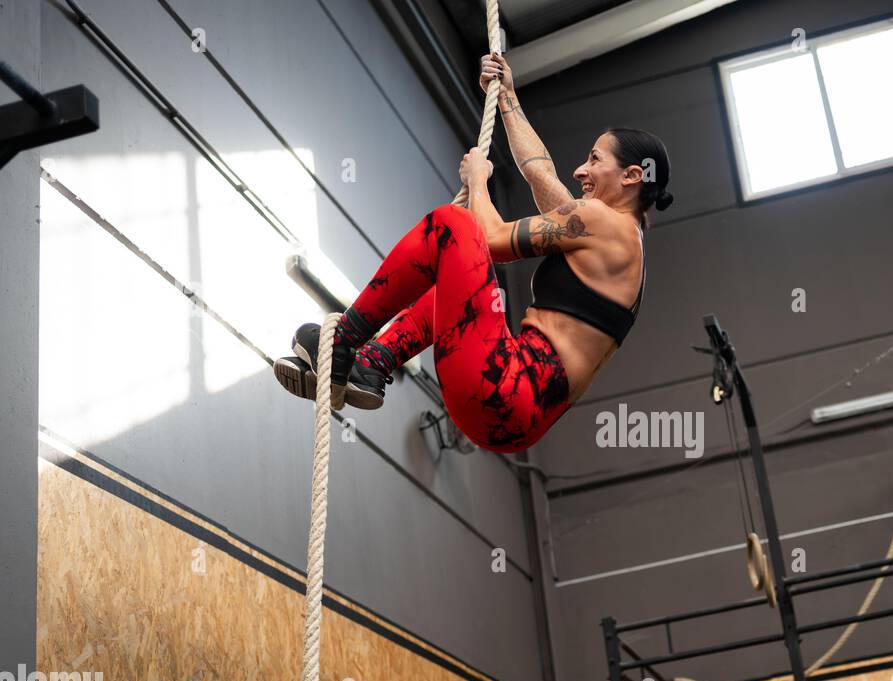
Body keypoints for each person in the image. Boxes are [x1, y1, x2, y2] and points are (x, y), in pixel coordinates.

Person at [273, 51, 673, 453]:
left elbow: (493, 239)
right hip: (512, 420)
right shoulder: (620, 242)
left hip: (504, 387)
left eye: (594, 159)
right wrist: (506, 95)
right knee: (453, 287)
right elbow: (541, 173)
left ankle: (344, 340)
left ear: (632, 175)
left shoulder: (602, 221)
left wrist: (477, 179)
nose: (580, 171)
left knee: (453, 225)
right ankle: (372, 365)